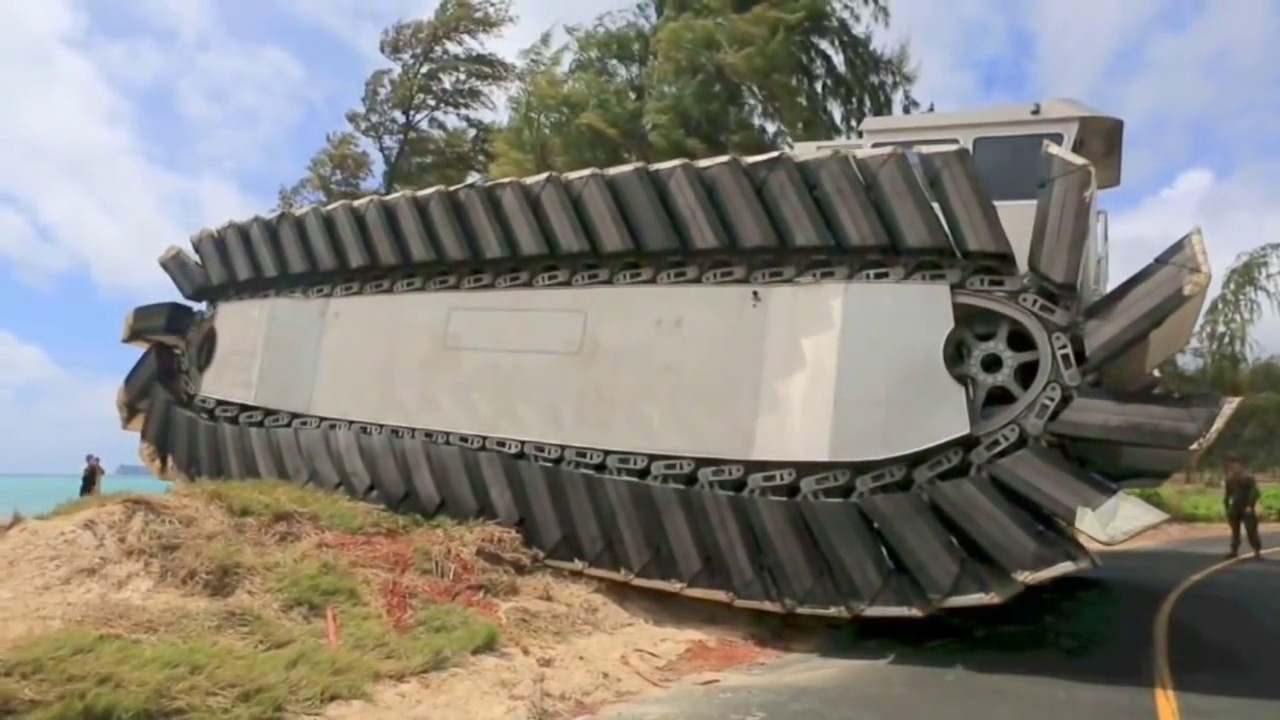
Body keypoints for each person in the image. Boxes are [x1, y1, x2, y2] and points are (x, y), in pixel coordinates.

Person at [1222, 453, 1263, 560]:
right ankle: (1234, 550)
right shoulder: (1229, 479)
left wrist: (1250, 505)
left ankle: (1257, 551)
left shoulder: (1248, 477)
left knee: (1251, 530)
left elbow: (1255, 492)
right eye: (1230, 465)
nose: (1232, 467)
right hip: (1235, 507)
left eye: (1234, 464)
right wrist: (1227, 508)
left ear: (1239, 464)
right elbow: (1227, 495)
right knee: (1235, 530)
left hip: (1246, 507)